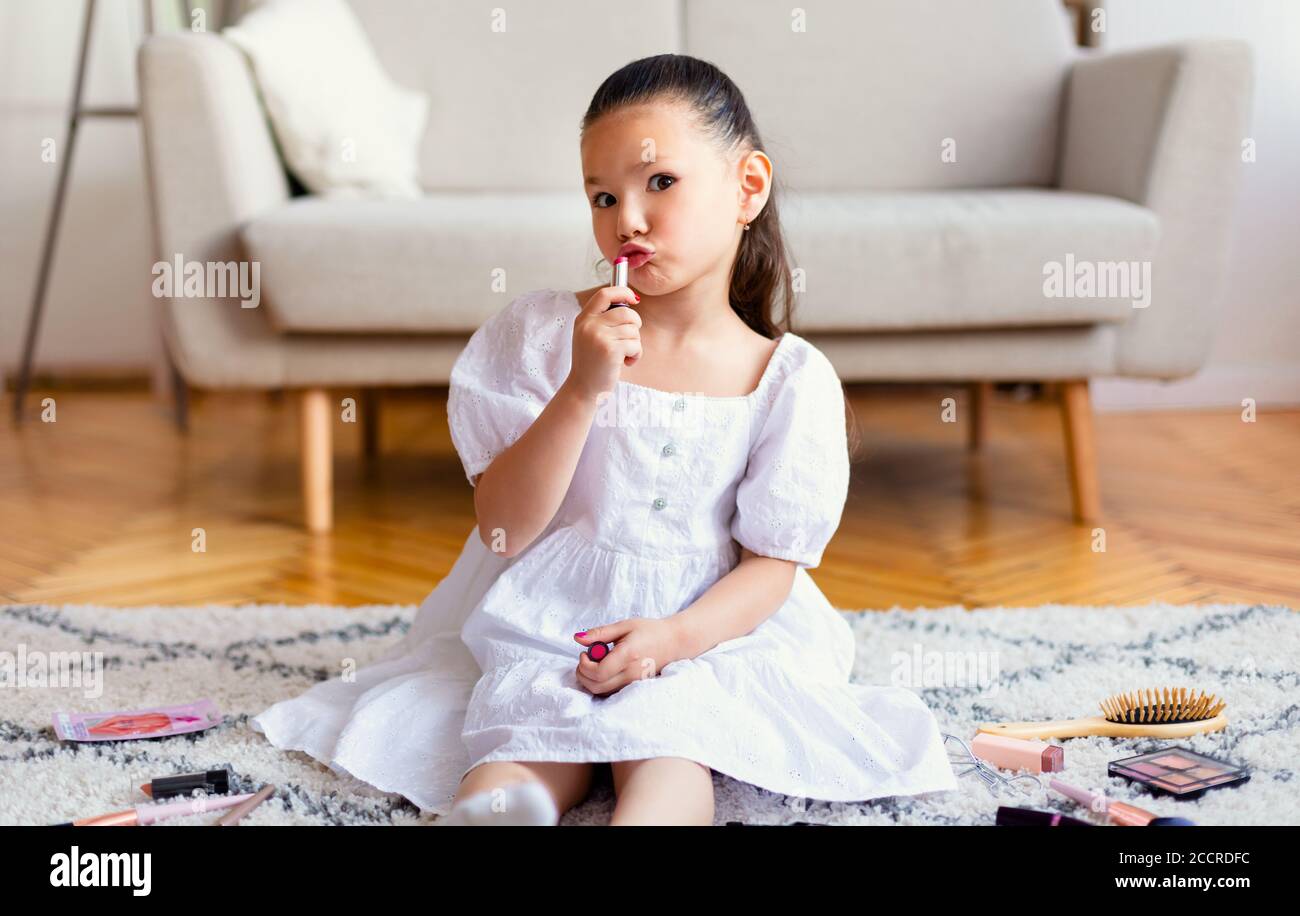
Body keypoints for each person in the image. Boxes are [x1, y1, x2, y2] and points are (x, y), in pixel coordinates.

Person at [252, 53, 957, 826]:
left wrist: (674, 638)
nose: (627, 217)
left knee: (667, 745)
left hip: (709, 625)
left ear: (746, 188)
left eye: (660, 182)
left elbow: (771, 568)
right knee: (522, 737)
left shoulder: (787, 380)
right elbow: (504, 526)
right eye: (602, 195)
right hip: (554, 611)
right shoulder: (544, 336)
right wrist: (583, 388)